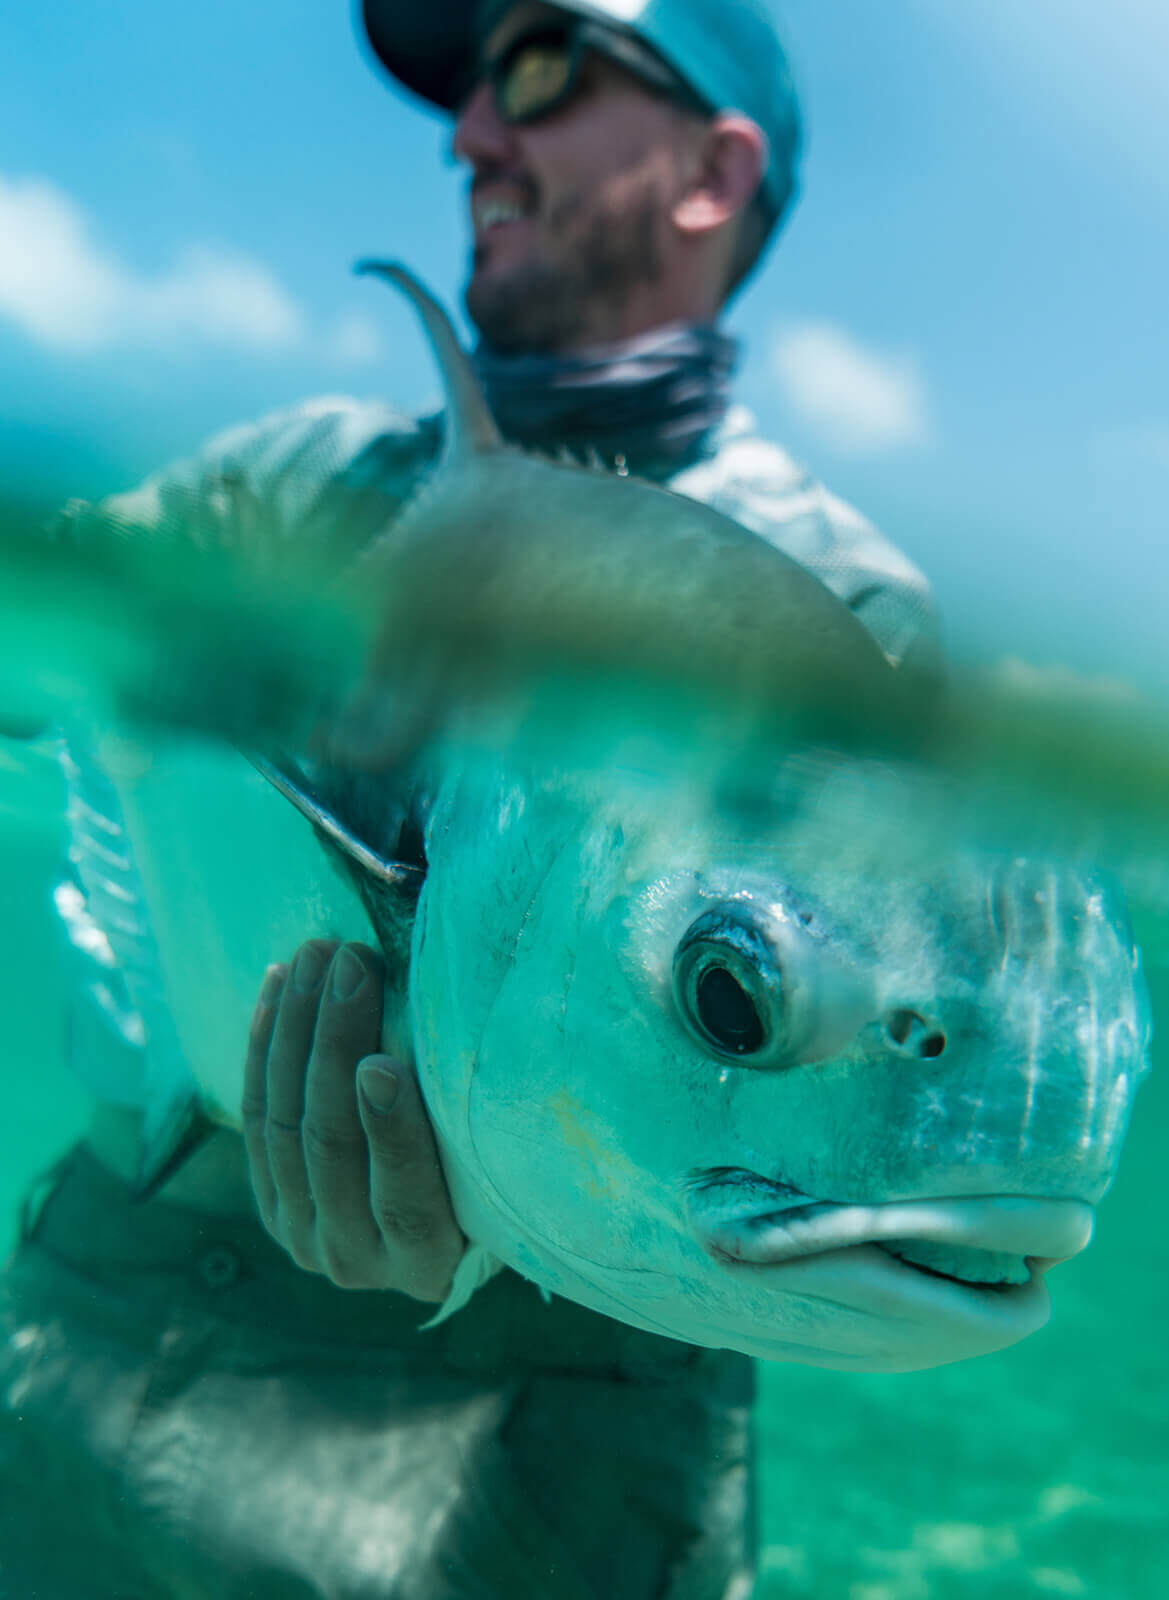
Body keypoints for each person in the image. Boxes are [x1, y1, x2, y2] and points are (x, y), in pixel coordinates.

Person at [0, 1, 939, 1596]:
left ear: (715, 169)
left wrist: (528, 1221)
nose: (472, 133)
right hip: (95, 1335)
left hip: (524, 1471)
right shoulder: (294, 481)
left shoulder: (840, 616)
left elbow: (810, 1134)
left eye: (544, 71)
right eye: (472, 88)